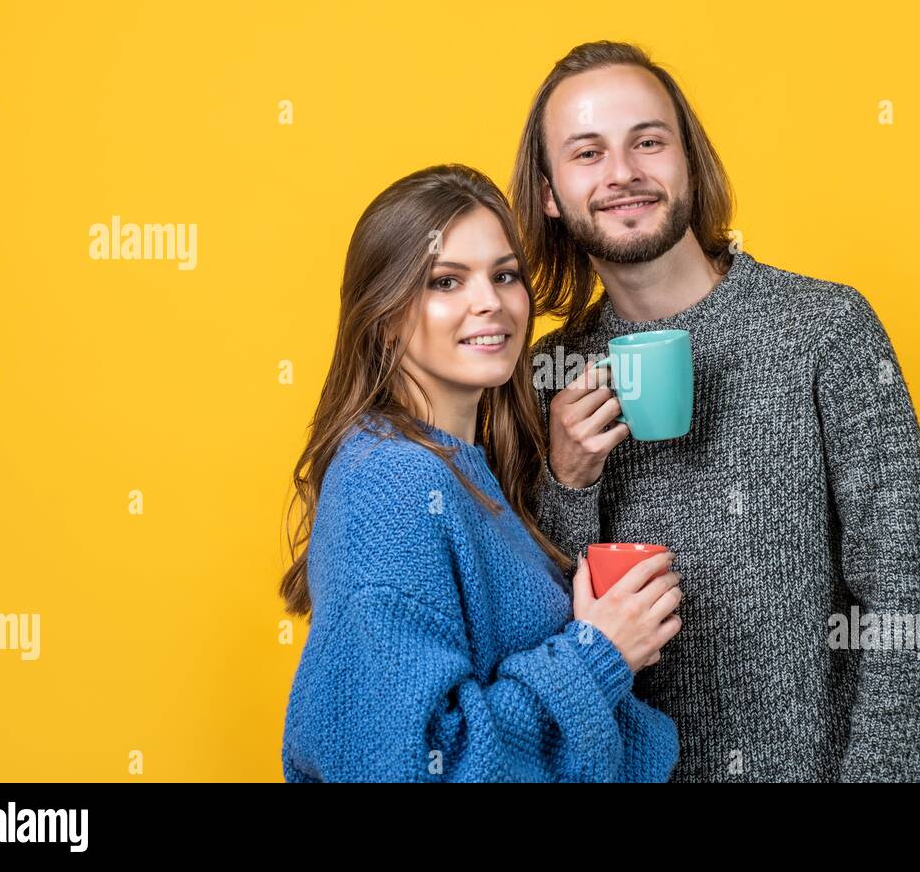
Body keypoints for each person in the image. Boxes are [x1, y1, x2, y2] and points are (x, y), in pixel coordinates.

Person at [512, 41, 920, 782]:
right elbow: (534, 641)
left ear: (689, 160)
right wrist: (568, 480)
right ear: (551, 192)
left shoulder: (825, 329)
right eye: (587, 153)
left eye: (647, 141)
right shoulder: (540, 380)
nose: (622, 173)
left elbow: (908, 591)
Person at [279, 163, 681, 782]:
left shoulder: (463, 466)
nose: (489, 301)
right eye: (446, 281)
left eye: (504, 274)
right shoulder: (392, 481)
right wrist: (596, 654)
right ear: (384, 313)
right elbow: (404, 768)